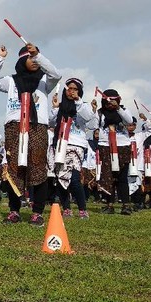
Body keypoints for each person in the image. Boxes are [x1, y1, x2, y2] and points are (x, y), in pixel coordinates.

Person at [0, 43, 61, 226]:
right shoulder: (11, 81)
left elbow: (57, 75)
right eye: (30, 58)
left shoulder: (44, 82)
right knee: (15, 169)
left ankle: (37, 212)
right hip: (14, 127)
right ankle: (14, 211)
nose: (34, 62)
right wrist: (0, 58)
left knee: (38, 168)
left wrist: (38, 56)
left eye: (36, 58)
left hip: (37, 127)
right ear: (21, 60)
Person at [48, 78, 97, 218]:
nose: (72, 91)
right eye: (69, 88)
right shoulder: (61, 105)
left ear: (79, 91)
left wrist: (78, 101)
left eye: (75, 89)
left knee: (74, 179)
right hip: (60, 143)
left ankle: (82, 209)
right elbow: (51, 122)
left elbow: (90, 120)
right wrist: (55, 107)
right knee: (61, 178)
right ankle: (66, 208)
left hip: (76, 145)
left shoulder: (83, 105)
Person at [95, 89, 134, 214]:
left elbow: (129, 121)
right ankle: (109, 204)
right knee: (108, 176)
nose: (110, 104)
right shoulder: (100, 113)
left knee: (122, 177)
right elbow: (92, 126)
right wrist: (93, 110)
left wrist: (118, 109)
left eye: (113, 101)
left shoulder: (124, 110)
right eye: (108, 102)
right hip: (105, 146)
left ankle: (126, 205)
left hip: (122, 145)